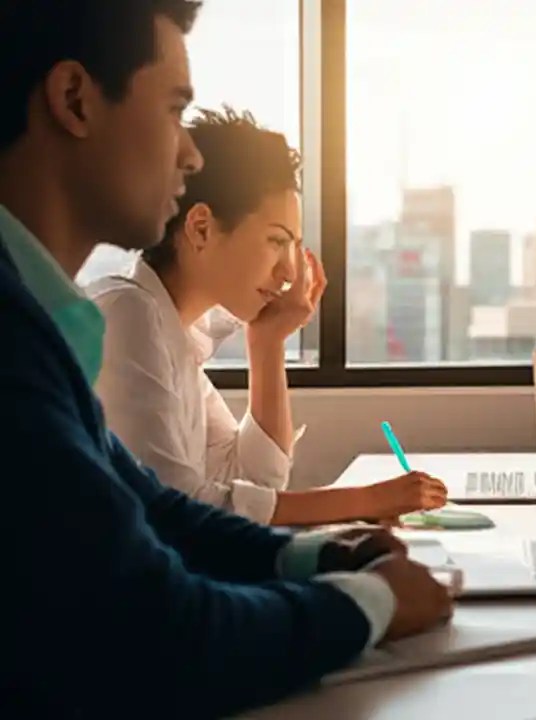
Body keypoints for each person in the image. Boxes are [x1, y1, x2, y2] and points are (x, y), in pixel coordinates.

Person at [0, 1, 450, 715]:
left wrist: (322, 556)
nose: (191, 156)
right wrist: (373, 602)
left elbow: (161, 509)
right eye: (174, 110)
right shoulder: (24, 339)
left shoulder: (44, 320)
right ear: (76, 99)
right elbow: (168, 632)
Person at [88, 107, 447, 526]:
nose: (290, 272)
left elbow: (253, 483)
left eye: (294, 247)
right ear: (201, 228)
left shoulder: (175, 334)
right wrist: (365, 501)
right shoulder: (128, 316)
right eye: (277, 241)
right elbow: (175, 509)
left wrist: (267, 342)